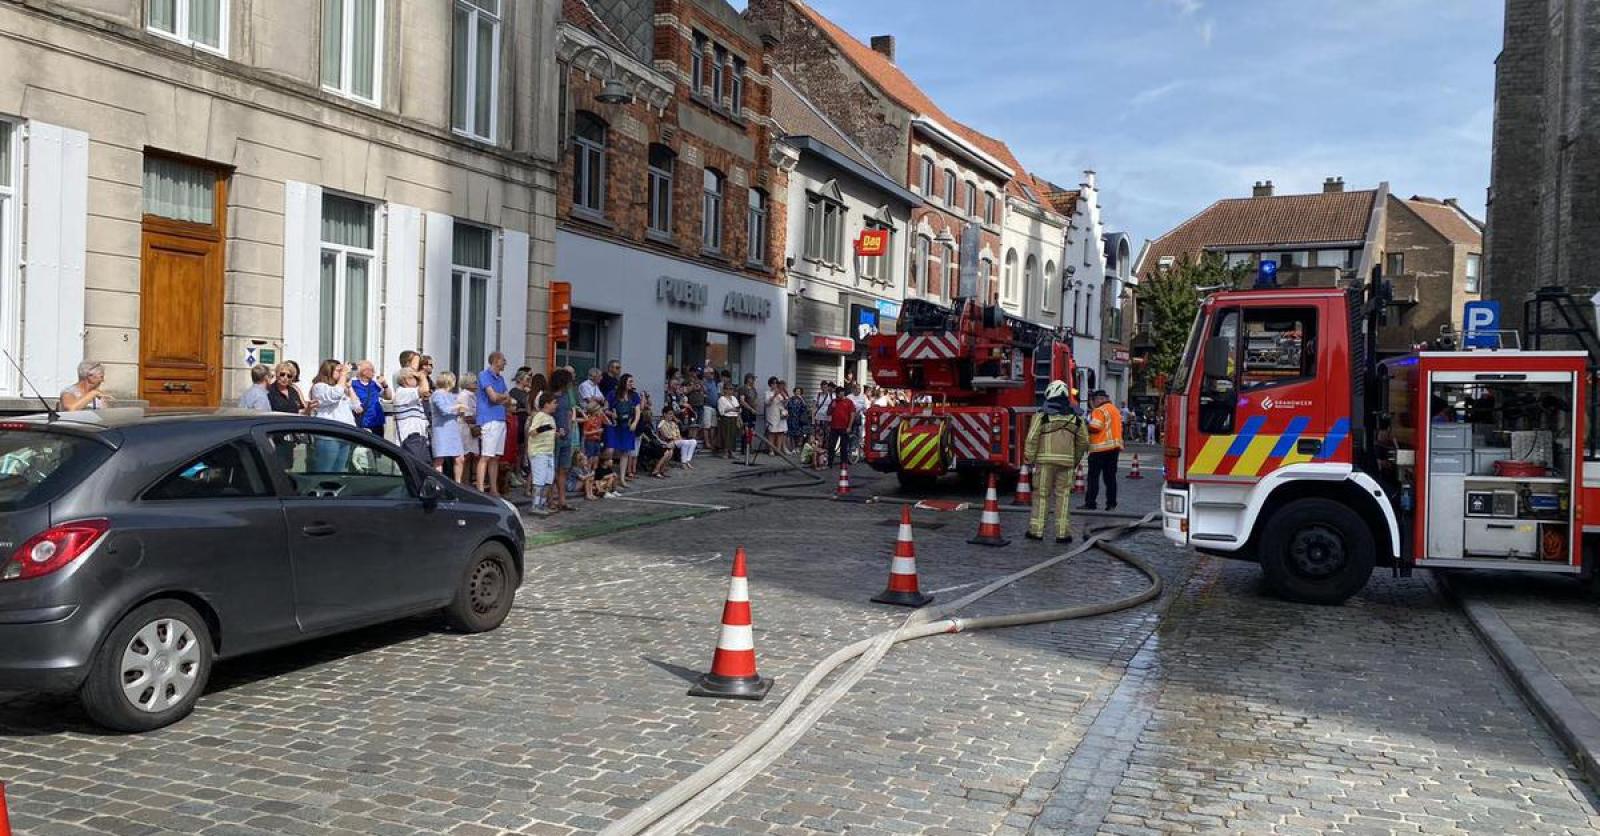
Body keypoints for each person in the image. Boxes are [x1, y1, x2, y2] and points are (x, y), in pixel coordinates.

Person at [1024, 380, 1090, 543]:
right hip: (1067, 464)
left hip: (1044, 463)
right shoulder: (1076, 418)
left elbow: (1031, 438)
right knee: (1063, 497)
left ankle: (1036, 531)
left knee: (1042, 495)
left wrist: (1030, 459)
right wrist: (1074, 460)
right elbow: (1084, 442)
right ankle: (1062, 533)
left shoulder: (1042, 416)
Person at [308, 360, 361, 471]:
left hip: (344, 434)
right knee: (324, 471)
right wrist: (343, 375)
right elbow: (334, 395)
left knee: (338, 472)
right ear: (329, 371)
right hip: (329, 436)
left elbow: (357, 407)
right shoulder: (319, 387)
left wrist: (349, 387)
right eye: (338, 370)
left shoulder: (341, 388)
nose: (342, 372)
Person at [1082, 388, 1125, 512]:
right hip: (1114, 448)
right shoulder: (1115, 410)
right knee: (1110, 478)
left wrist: (1085, 425)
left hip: (1099, 449)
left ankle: (1090, 503)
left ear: (1098, 399)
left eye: (1093, 401)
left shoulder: (1099, 410)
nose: (1093, 403)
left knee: (1093, 477)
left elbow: (1096, 427)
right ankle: (1111, 504)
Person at [475, 353, 512, 495]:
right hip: (489, 419)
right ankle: (480, 489)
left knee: (495, 457)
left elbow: (508, 400)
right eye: (503, 360)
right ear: (496, 361)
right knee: (486, 455)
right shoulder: (484, 375)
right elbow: (493, 397)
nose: (505, 363)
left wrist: (502, 397)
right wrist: (503, 397)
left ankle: (493, 489)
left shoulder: (501, 378)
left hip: (500, 418)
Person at [430, 372, 466, 480]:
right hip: (441, 430)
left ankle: (457, 483)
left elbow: (453, 411)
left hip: (452, 430)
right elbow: (444, 410)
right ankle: (438, 484)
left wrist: (460, 412)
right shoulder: (437, 394)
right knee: (439, 459)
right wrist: (458, 406)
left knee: (460, 458)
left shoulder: (451, 395)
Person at [550, 368, 576, 512]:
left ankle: (562, 500)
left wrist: (569, 430)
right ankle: (551, 499)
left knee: (563, 469)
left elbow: (568, 413)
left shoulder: (566, 396)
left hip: (566, 436)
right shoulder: (550, 397)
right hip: (554, 437)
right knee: (552, 470)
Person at [608, 373, 642, 487]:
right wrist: (612, 414)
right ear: (624, 382)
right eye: (630, 381)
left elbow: (638, 411)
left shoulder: (634, 395)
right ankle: (609, 476)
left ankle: (622, 478)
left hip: (627, 426)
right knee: (611, 450)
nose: (632, 384)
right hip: (615, 425)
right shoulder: (613, 394)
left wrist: (635, 422)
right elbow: (605, 408)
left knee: (625, 452)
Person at [527, 393, 558, 513]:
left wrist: (557, 434)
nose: (556, 405)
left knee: (548, 479)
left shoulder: (551, 418)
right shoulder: (539, 416)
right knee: (539, 480)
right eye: (554, 403)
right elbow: (531, 432)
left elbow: (550, 432)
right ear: (546, 404)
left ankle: (542, 504)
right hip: (538, 452)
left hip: (549, 452)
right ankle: (535, 505)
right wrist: (545, 428)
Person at [392, 369, 430, 463]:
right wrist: (422, 377)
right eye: (415, 378)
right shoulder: (403, 392)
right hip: (409, 440)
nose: (417, 381)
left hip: (417, 440)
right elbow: (425, 390)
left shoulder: (411, 394)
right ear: (406, 380)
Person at [351, 360, 387, 436]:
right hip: (362, 422)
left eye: (372, 369)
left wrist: (385, 385)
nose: (373, 372)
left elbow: (388, 397)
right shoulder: (353, 384)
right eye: (370, 369)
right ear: (362, 371)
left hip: (377, 422)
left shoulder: (375, 384)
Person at [827, 387, 856, 468]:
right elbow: (828, 413)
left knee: (844, 446)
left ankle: (843, 463)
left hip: (844, 427)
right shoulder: (833, 401)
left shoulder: (849, 402)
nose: (841, 395)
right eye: (839, 394)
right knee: (831, 445)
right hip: (834, 427)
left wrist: (849, 426)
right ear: (837, 394)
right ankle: (830, 463)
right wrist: (832, 407)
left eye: (842, 393)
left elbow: (852, 414)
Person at [457, 374, 480, 471]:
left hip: (471, 428)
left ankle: (469, 478)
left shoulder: (473, 396)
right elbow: (467, 415)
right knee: (465, 456)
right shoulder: (464, 396)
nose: (476, 384)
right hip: (466, 429)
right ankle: (463, 479)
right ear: (467, 383)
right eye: (474, 382)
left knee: (471, 456)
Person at [717, 384, 742, 460]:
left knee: (733, 435)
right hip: (726, 418)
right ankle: (725, 452)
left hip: (734, 417)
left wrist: (738, 414)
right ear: (724, 390)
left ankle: (732, 451)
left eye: (731, 389)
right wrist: (731, 409)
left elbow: (738, 408)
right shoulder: (721, 399)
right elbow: (721, 411)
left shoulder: (734, 398)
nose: (730, 391)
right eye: (728, 389)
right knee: (726, 435)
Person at [764, 377, 787, 455]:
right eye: (773, 383)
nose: (775, 385)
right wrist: (774, 395)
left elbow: (785, 403)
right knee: (772, 433)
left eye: (776, 383)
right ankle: (771, 450)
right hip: (772, 415)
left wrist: (784, 396)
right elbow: (767, 403)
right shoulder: (767, 393)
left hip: (780, 415)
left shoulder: (780, 392)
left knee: (780, 432)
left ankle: (778, 450)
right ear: (770, 384)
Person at [786, 385, 810, 454]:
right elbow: (788, 407)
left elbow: (805, 408)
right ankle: (793, 448)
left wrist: (801, 399)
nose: (798, 393)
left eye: (799, 391)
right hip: (792, 419)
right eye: (796, 391)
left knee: (799, 434)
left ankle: (797, 447)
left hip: (799, 420)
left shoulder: (802, 400)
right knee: (792, 434)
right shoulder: (791, 399)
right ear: (794, 392)